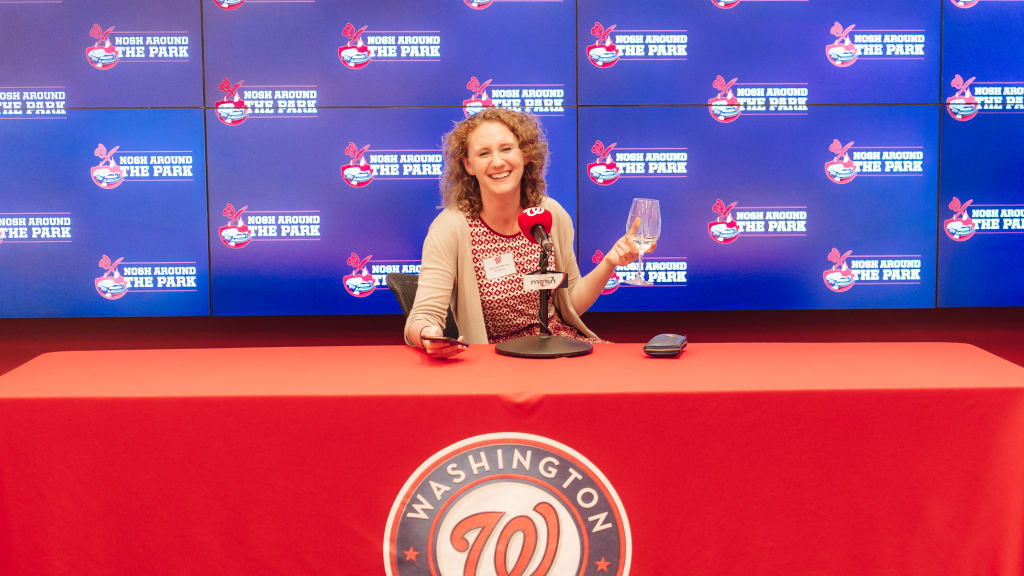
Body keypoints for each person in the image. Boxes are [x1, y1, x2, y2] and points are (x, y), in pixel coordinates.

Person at [404, 108, 644, 358]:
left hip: (559, 346)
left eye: (506, 149)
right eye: (484, 153)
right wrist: (427, 335)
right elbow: (421, 317)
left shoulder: (550, 213)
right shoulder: (450, 227)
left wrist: (609, 263)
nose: (497, 162)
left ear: (525, 155)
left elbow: (571, 304)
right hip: (495, 358)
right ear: (468, 165)